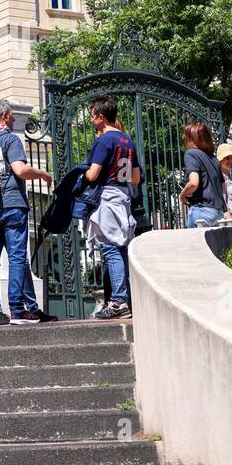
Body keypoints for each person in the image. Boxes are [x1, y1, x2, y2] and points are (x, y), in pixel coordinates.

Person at [0, 99, 55, 326]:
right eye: (12, 115)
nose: (14, 118)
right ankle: (17, 311)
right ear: (5, 116)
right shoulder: (10, 140)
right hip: (12, 205)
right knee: (17, 258)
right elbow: (20, 170)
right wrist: (44, 174)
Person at [84, 95, 141, 320]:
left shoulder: (104, 140)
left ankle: (118, 301)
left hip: (107, 197)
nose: (91, 120)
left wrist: (84, 174)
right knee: (122, 248)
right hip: (123, 195)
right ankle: (124, 299)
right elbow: (134, 176)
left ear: (100, 116)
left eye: (91, 116)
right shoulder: (127, 140)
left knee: (109, 248)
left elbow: (92, 174)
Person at [179, 120, 224, 228]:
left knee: (195, 244)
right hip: (217, 212)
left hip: (201, 211)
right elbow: (222, 187)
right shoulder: (214, 159)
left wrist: (183, 195)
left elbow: (194, 183)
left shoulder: (191, 154)